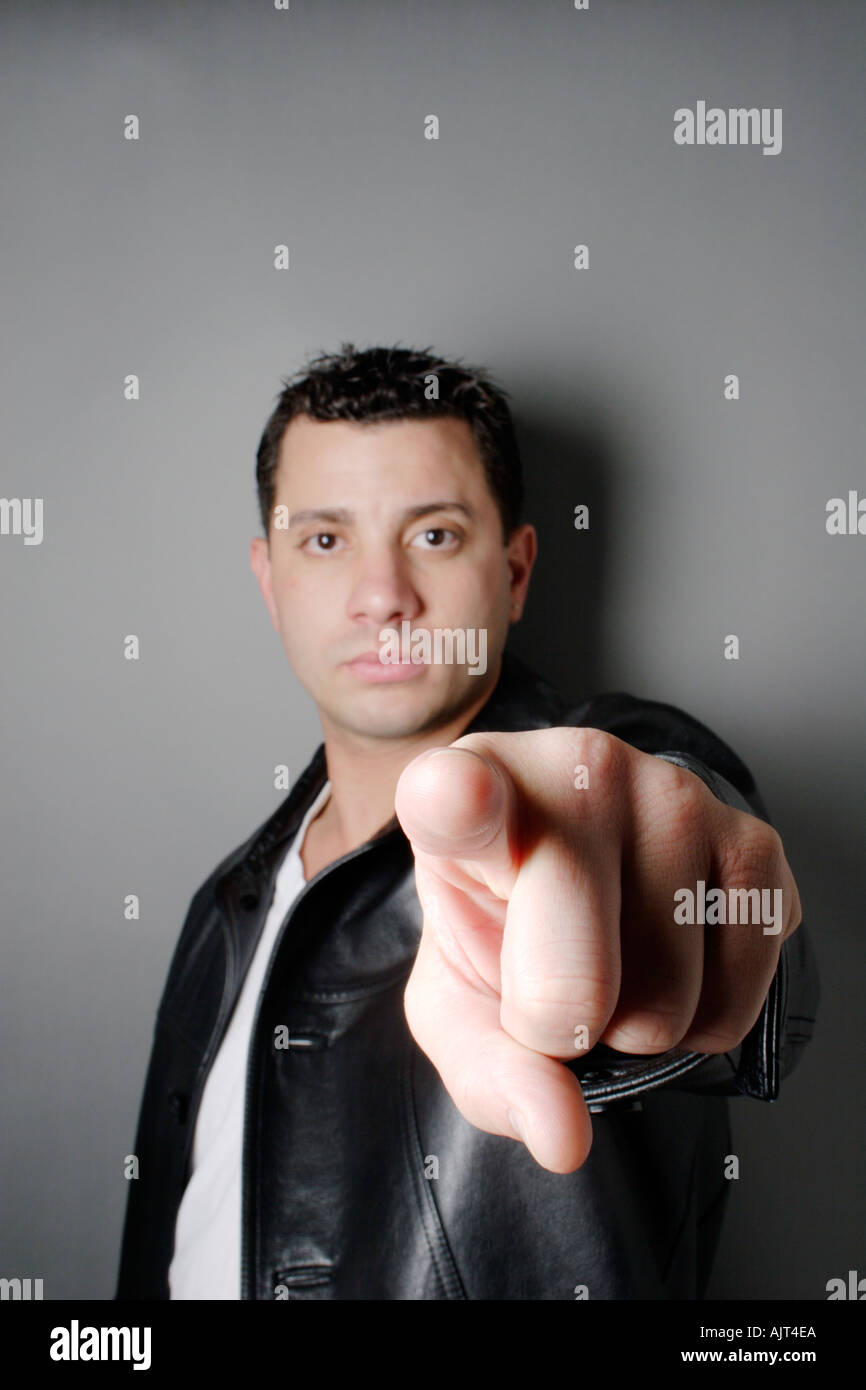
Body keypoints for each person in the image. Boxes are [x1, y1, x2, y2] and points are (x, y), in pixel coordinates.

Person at [116, 342, 818, 1300]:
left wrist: (651, 877)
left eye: (435, 535)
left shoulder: (616, 760)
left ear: (517, 570)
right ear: (269, 579)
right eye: (326, 540)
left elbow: (708, 877)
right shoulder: (223, 906)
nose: (382, 597)